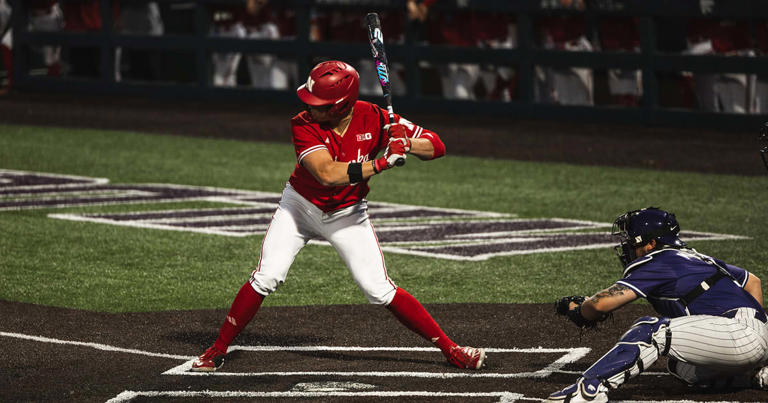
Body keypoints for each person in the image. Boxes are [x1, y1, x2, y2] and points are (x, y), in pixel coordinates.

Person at [190, 60, 486, 372]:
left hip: (348, 213)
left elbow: (437, 146)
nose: (309, 106)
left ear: (339, 106)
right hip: (300, 207)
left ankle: (451, 349)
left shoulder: (375, 116)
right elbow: (327, 173)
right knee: (267, 275)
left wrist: (407, 142)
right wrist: (382, 163)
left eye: (318, 103)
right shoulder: (303, 123)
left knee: (378, 288)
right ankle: (218, 348)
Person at [547, 207, 768, 402]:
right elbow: (753, 282)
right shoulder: (696, 257)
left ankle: (587, 391)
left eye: (632, 242)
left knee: (652, 330)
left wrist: (580, 311)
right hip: (752, 334)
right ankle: (754, 374)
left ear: (651, 243)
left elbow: (600, 305)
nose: (627, 248)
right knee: (681, 366)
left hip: (740, 334)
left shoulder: (659, 260)